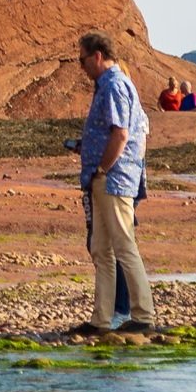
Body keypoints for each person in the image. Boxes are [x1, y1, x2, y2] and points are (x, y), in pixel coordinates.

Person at [72, 32, 156, 334]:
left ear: (97, 56)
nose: (81, 67)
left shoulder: (115, 86)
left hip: (113, 179)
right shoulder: (108, 86)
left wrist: (102, 168)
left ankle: (143, 314)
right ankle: (101, 318)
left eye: (82, 60)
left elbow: (121, 133)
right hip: (106, 178)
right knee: (101, 248)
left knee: (122, 244)